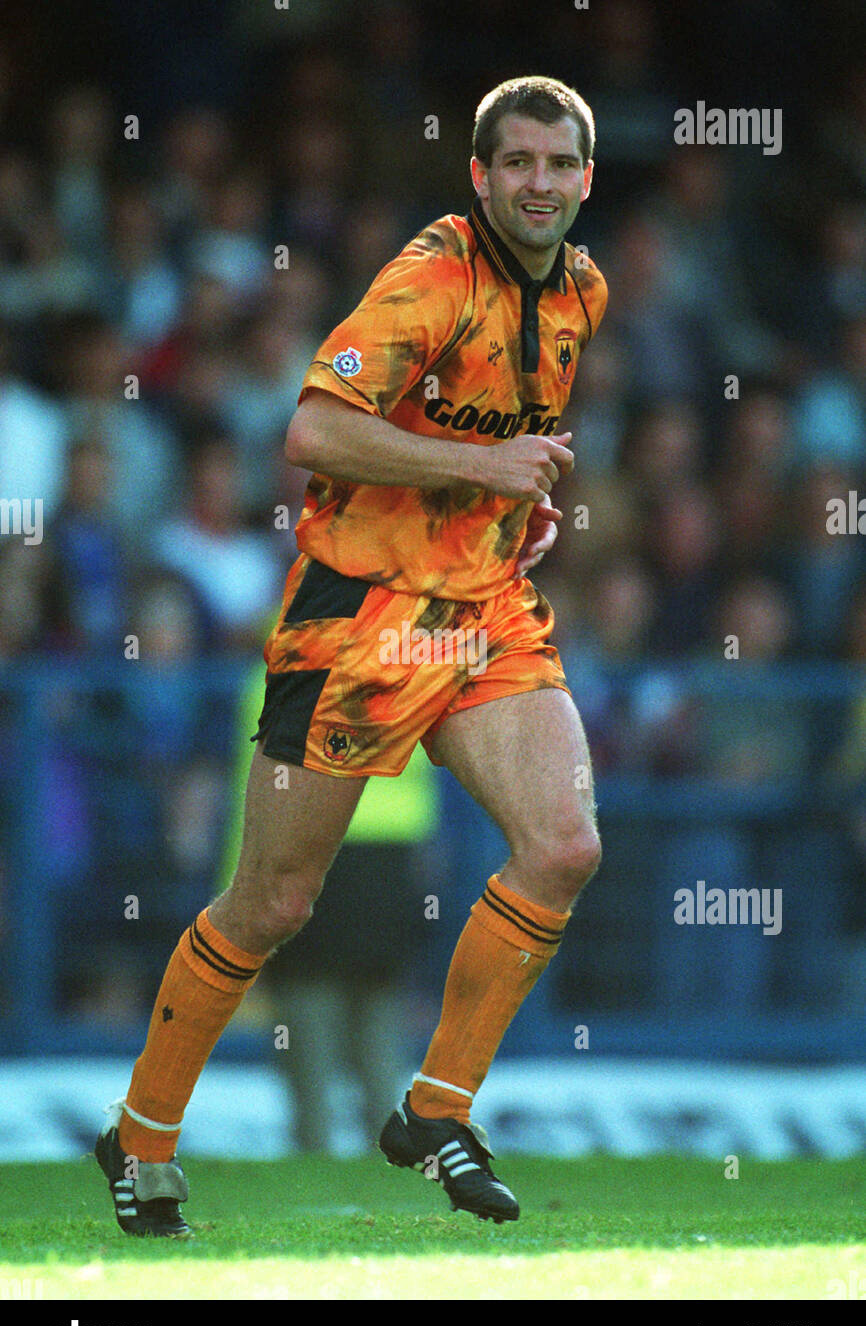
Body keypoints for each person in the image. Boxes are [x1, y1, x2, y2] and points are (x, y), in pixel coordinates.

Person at [96, 74, 608, 1233]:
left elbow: (492, 433)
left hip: (483, 611)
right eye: (516, 164)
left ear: (586, 177)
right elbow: (311, 427)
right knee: (272, 901)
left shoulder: (582, 288)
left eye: (559, 164)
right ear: (477, 177)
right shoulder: (429, 278)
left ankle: (433, 1109)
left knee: (564, 844)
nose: (539, 184)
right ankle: (139, 1136)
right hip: (358, 616)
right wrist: (485, 471)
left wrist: (515, 505)